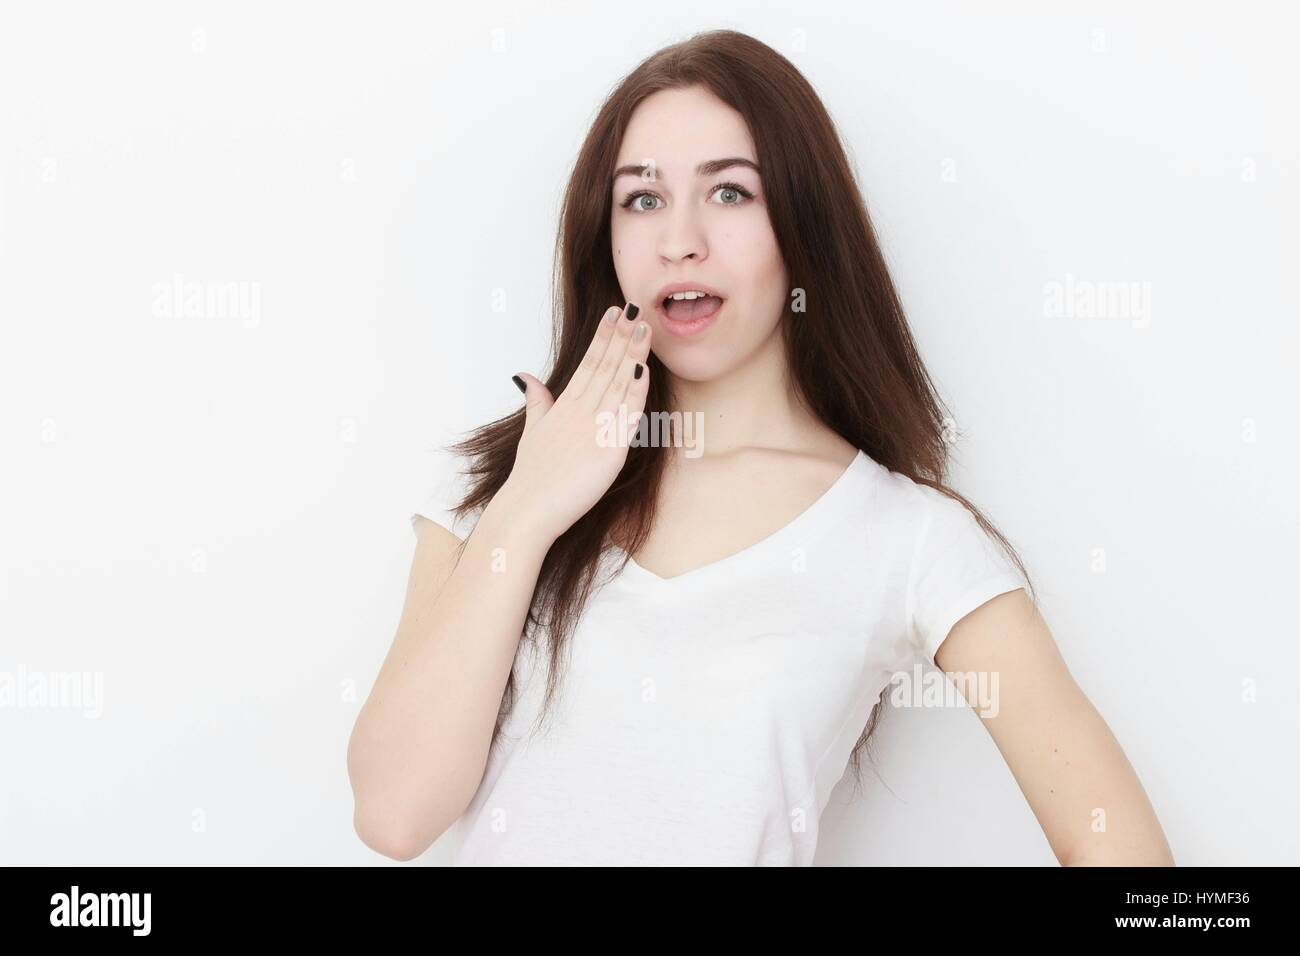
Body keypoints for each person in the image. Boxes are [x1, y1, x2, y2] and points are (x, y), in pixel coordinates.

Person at [347, 29, 1174, 866]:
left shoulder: (908, 538)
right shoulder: (502, 491)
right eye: (642, 199)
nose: (681, 240)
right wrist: (528, 509)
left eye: (731, 194)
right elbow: (394, 813)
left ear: (803, 226)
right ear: (608, 237)